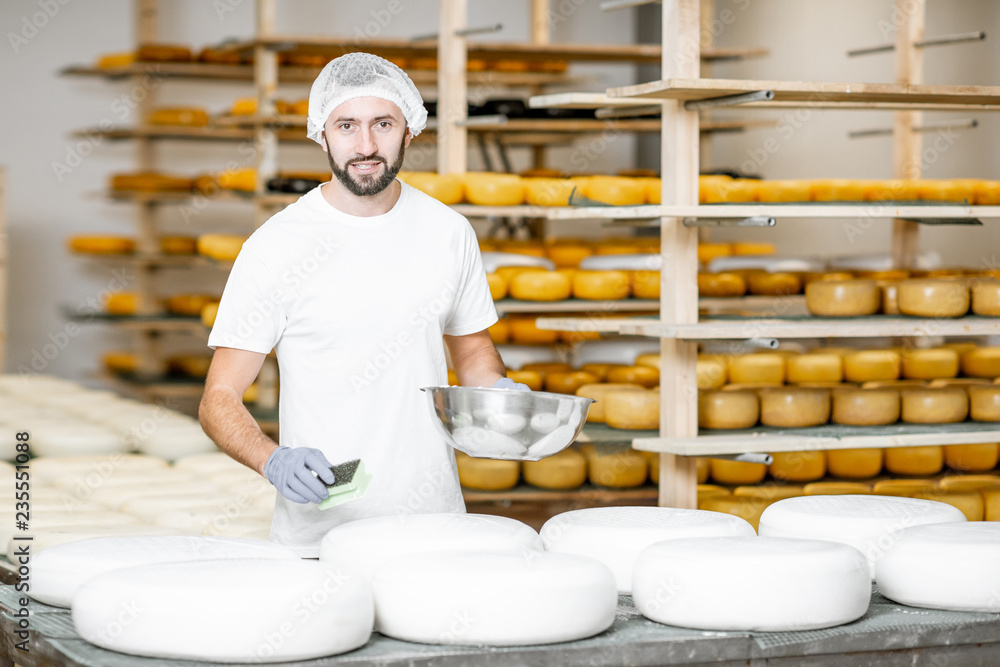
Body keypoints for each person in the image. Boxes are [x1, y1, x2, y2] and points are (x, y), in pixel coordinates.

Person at [199, 52, 528, 557]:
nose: (366, 145)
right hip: (320, 538)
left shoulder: (448, 232)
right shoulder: (276, 246)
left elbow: (472, 351)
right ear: (321, 134)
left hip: (433, 526)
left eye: (383, 123)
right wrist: (273, 460)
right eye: (347, 125)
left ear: (410, 130)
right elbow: (219, 398)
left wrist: (496, 392)